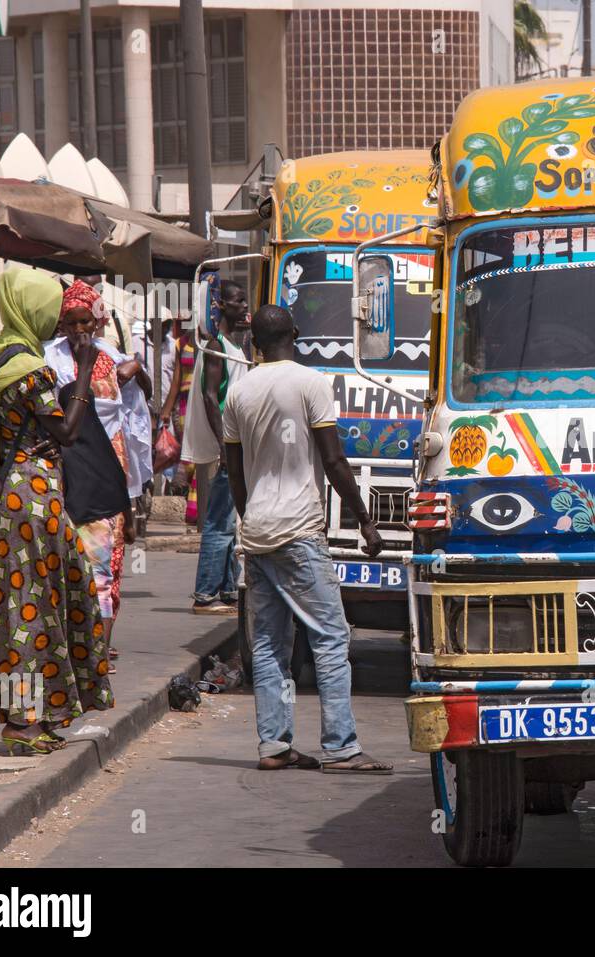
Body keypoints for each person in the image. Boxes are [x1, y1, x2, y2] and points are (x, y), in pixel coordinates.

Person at [223, 304, 392, 773]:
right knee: (331, 637)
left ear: (253, 343)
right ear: (294, 334)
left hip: (256, 532)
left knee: (271, 644)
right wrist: (364, 519)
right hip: (299, 531)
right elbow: (334, 461)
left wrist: (251, 516)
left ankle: (273, 745)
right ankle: (341, 747)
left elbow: (233, 471)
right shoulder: (312, 383)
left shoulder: (239, 391)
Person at [0, 269, 112, 755]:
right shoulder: (29, 368)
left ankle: (41, 714)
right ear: (30, 307)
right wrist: (85, 371)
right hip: (30, 501)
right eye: (50, 308)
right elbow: (67, 431)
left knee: (38, 606)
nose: (57, 318)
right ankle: (22, 724)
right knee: (31, 611)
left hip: (24, 501)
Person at [45, 280, 151, 664]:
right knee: (73, 557)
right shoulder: (51, 359)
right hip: (68, 465)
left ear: (96, 321)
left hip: (110, 468)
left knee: (109, 561)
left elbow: (136, 419)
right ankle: (79, 644)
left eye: (84, 322)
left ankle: (99, 648)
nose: (78, 330)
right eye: (70, 323)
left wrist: (133, 501)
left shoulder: (109, 355)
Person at [182, 280, 250, 614]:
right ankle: (205, 594)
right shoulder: (215, 345)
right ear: (221, 305)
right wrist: (225, 445)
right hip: (224, 445)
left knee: (229, 521)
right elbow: (211, 396)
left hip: (233, 444)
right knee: (219, 521)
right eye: (239, 302)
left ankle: (226, 590)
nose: (245, 307)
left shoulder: (233, 346)